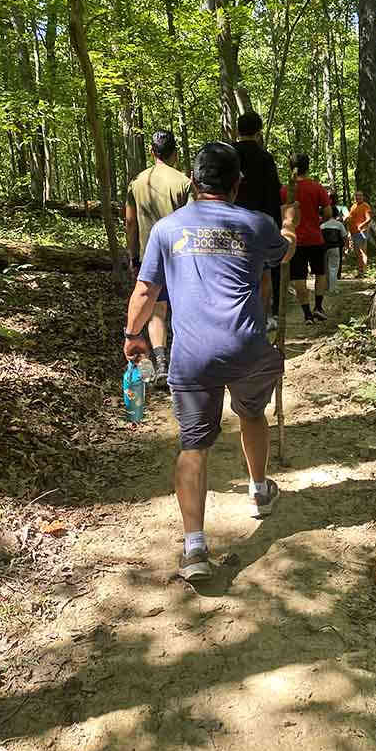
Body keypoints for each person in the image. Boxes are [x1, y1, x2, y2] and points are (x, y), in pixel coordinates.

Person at [123, 142, 299, 581]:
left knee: (193, 444)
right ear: (237, 184)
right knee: (252, 413)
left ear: (195, 183)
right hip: (247, 349)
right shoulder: (256, 224)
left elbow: (145, 293)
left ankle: (195, 548)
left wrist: (133, 336)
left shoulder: (167, 229)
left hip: (192, 354)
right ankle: (259, 491)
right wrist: (291, 225)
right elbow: (284, 253)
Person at [126, 130, 190, 387]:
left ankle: (162, 363)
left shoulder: (137, 182)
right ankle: (184, 363)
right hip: (182, 256)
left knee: (157, 310)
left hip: (150, 255)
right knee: (184, 309)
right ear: (175, 152)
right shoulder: (184, 182)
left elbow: (130, 222)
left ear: (152, 153)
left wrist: (133, 255)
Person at [233, 111, 283, 332]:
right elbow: (274, 193)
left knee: (235, 274)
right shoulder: (265, 158)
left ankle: (238, 320)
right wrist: (277, 226)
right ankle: (261, 320)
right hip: (259, 224)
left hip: (230, 223)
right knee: (264, 275)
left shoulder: (229, 154)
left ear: (237, 130)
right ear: (259, 131)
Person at [280, 154, 332, 323]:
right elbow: (328, 213)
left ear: (290, 167)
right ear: (308, 167)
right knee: (320, 273)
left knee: (298, 277)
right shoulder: (317, 187)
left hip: (294, 241)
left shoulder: (285, 190)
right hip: (316, 238)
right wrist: (318, 222)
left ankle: (307, 314)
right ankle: (318, 307)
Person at [346, 190, 372, 278]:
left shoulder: (365, 206)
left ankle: (364, 272)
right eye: (357, 196)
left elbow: (369, 219)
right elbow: (350, 218)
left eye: (360, 196)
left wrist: (361, 225)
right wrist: (349, 231)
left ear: (363, 197)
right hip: (353, 233)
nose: (358, 197)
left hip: (362, 232)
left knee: (363, 252)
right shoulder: (353, 206)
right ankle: (359, 271)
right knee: (357, 253)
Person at [320, 212, 347, 293]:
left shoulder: (322, 225)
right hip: (335, 248)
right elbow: (345, 237)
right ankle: (333, 288)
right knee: (334, 269)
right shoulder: (339, 224)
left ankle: (326, 287)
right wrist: (346, 247)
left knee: (325, 269)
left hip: (323, 249)